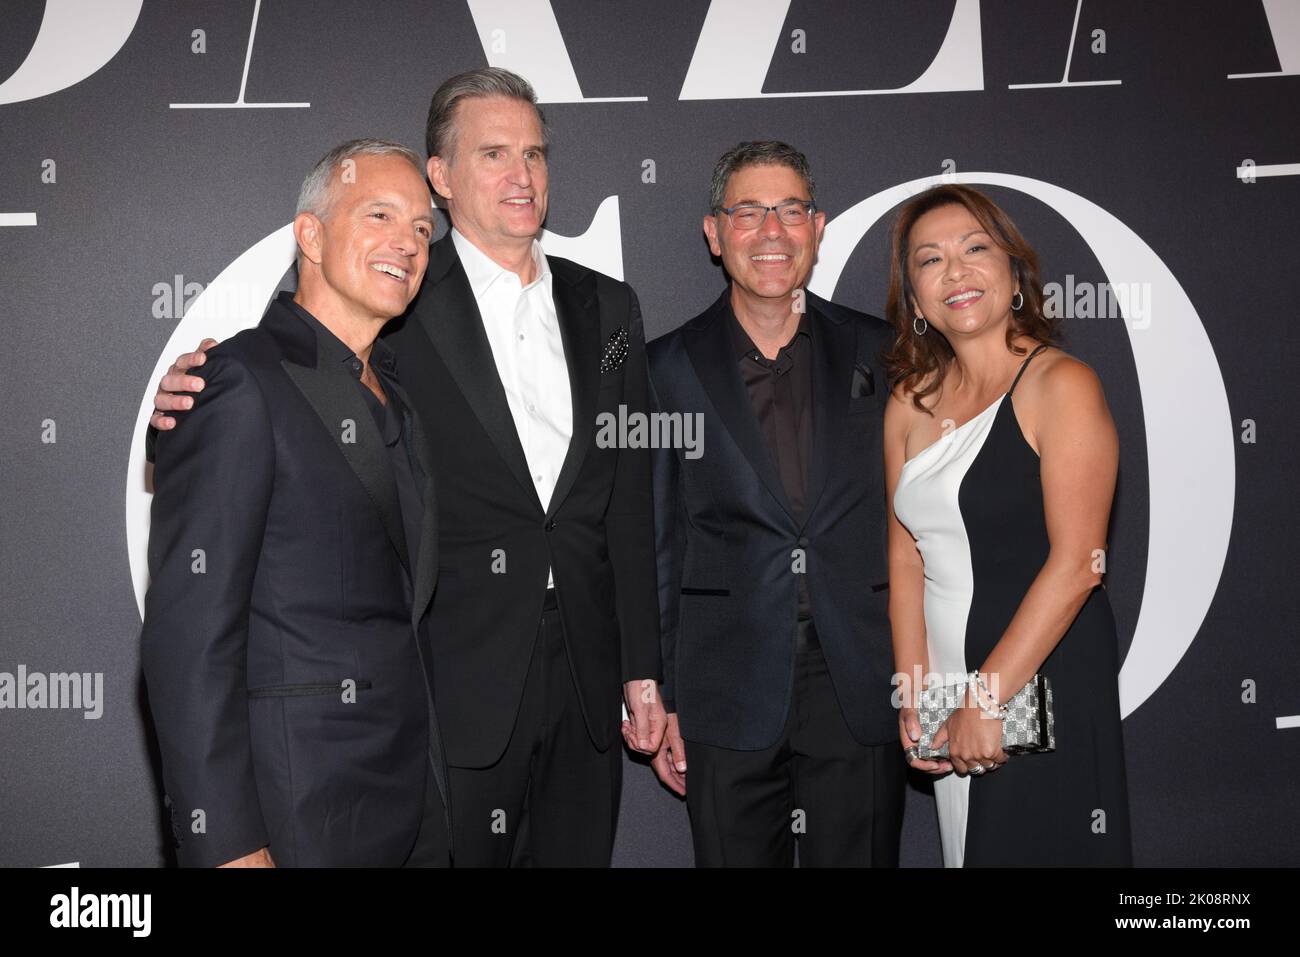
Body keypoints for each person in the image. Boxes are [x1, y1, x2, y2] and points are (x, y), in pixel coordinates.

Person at [148, 68, 665, 867]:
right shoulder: (399, 304)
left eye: (534, 153)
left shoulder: (613, 312)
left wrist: (640, 666)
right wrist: (178, 409)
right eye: (493, 153)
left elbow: (629, 497)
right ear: (444, 176)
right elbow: (290, 382)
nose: (521, 175)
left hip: (583, 685)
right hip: (449, 690)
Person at [142, 139, 450, 867]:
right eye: (380, 214)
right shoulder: (237, 380)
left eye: (420, 229)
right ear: (309, 235)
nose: (406, 242)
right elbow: (188, 642)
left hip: (411, 803)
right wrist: (226, 841)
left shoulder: (399, 395)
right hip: (296, 811)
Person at [647, 141, 906, 866]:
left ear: (818, 228)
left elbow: (918, 525)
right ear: (713, 231)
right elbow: (657, 543)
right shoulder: (664, 368)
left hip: (858, 678)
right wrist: (660, 693)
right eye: (749, 212)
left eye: (791, 211)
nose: (772, 231)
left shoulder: (882, 354)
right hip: (723, 688)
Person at [884, 183, 1133, 866]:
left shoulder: (1062, 384)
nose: (955, 272)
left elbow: (1081, 560)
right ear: (914, 298)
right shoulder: (910, 400)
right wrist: (916, 693)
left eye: (974, 249)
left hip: (1039, 678)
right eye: (930, 261)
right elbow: (904, 556)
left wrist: (988, 698)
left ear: (1015, 271)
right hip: (948, 686)